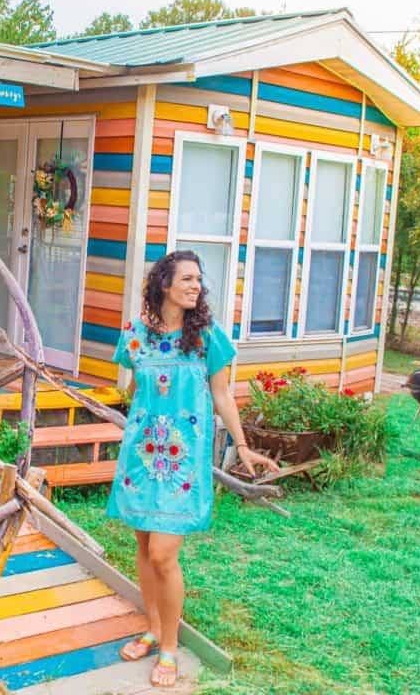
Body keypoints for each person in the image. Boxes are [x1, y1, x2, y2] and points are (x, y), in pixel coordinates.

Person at [107, 250, 277, 688]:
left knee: (165, 553)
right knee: (144, 548)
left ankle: (169, 648)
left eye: (198, 279)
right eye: (186, 278)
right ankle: (152, 628)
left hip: (183, 462)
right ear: (164, 284)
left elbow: (222, 397)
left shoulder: (207, 337)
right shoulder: (135, 335)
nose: (195, 285)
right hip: (143, 459)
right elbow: (128, 387)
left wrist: (242, 446)